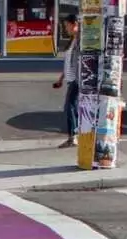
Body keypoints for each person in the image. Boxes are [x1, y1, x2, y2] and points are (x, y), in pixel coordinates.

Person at [52, 14, 80, 148]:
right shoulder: (72, 41)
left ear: (74, 24)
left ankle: (73, 137)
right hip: (70, 79)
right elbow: (68, 63)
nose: (65, 29)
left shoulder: (80, 41)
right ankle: (74, 136)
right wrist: (61, 79)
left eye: (67, 26)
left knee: (70, 107)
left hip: (76, 80)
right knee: (72, 108)